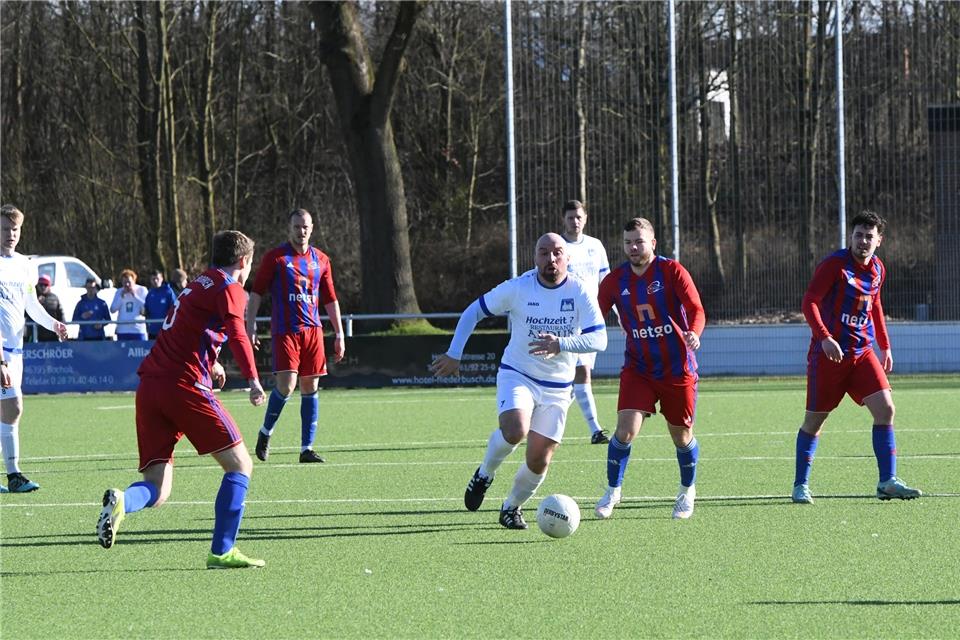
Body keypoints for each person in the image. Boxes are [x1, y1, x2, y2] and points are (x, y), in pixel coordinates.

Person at [96, 230, 268, 569]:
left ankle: (121, 501)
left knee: (157, 489)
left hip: (150, 387)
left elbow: (184, 330)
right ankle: (222, 550)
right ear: (244, 261)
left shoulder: (198, 283)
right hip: (184, 386)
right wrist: (253, 379)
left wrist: (213, 362)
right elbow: (238, 333)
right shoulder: (230, 287)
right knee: (240, 465)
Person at [431, 233, 607, 529]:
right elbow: (474, 311)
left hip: (558, 388)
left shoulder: (580, 292)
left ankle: (511, 507)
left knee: (540, 458)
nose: (551, 259)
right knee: (515, 430)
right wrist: (454, 353)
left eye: (557, 253)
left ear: (567, 257)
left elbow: (600, 338)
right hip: (518, 374)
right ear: (534, 257)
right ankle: (485, 472)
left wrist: (562, 344)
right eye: (543, 253)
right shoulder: (519, 287)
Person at [791, 210, 921, 504]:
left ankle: (887, 481)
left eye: (869, 237)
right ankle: (800, 485)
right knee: (815, 420)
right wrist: (824, 337)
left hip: (862, 354)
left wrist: (884, 346)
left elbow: (875, 307)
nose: (863, 241)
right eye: (858, 235)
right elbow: (810, 301)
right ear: (851, 237)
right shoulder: (834, 266)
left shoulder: (878, 269)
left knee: (886, 409)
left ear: (879, 241)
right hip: (829, 358)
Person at [594, 217, 705, 520]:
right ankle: (613, 489)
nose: (632, 247)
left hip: (676, 367)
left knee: (681, 436)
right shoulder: (615, 281)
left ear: (652, 243)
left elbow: (696, 309)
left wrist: (693, 331)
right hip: (638, 367)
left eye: (638, 241)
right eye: (628, 241)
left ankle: (686, 491)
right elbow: (594, 316)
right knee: (624, 431)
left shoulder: (672, 271)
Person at [245, 208, 345, 464]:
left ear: (312, 229)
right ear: (289, 229)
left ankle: (306, 449)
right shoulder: (275, 258)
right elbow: (255, 293)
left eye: (305, 227)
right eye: (297, 227)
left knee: (310, 386)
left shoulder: (321, 259)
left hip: (313, 331)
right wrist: (251, 324)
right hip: (286, 331)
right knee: (286, 386)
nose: (301, 232)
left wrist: (340, 333)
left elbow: (330, 299)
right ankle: (265, 433)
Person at [0, 205, 68, 494]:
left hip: (16, 350)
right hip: (2, 351)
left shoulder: (24, 264)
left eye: (15, 229)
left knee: (8, 411)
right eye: (5, 228)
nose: (10, 234)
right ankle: (14, 474)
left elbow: (31, 305)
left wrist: (53, 324)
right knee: (13, 407)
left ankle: (13, 475)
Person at [560, 200, 612, 445]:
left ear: (585, 218)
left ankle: (542, 422)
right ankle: (595, 429)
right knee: (582, 373)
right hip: (569, 319)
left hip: (594, 318)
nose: (575, 221)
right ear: (564, 220)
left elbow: (606, 280)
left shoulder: (595, 246)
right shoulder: (558, 247)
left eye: (578, 217)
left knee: (573, 383)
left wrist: (621, 313)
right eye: (570, 217)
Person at [110, 269, 148, 340]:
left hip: (138, 330)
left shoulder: (142, 290)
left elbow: (146, 308)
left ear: (134, 281)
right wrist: (121, 297)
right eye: (124, 282)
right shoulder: (119, 292)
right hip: (123, 330)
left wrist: (135, 296)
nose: (127, 285)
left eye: (129, 282)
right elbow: (112, 309)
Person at [144, 269, 177, 339]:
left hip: (166, 330)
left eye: (157, 279)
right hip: (153, 331)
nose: (155, 281)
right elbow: (146, 311)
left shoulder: (168, 292)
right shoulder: (150, 293)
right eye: (153, 279)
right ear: (150, 280)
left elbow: (175, 309)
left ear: (161, 279)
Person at [34, 274, 65, 342]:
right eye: (41, 284)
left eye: (45, 285)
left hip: (52, 334)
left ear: (49, 286)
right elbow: (27, 314)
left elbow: (60, 314)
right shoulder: (33, 298)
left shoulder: (54, 298)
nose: (43, 287)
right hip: (37, 335)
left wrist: (62, 329)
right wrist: (37, 304)